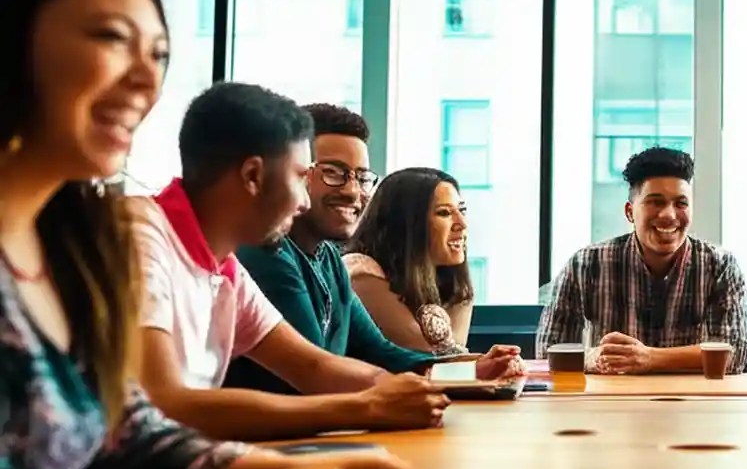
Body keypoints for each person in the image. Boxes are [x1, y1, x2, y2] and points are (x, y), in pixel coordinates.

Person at [0, 0, 425, 469]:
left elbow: (129, 431)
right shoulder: (133, 237)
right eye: (113, 38)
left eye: (159, 54)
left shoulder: (71, 244)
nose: (146, 81)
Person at [131, 82, 454, 441]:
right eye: (302, 177)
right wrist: (370, 406)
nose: (303, 201)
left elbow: (313, 366)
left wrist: (405, 390)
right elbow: (163, 405)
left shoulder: (225, 266)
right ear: (253, 176)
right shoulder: (140, 238)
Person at [226, 107, 520, 395]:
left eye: (362, 177)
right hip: (276, 437)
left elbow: (382, 354)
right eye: (333, 173)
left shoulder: (329, 260)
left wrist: (472, 371)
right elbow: (316, 372)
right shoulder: (265, 252)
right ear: (295, 172)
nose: (353, 191)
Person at [535, 147, 747, 374]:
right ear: (630, 212)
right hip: (610, 402)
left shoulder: (720, 265)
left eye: (681, 204)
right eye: (655, 202)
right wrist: (592, 358)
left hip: (690, 402)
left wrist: (649, 358)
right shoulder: (586, 264)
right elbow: (547, 351)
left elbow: (734, 353)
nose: (669, 215)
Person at [343, 167, 518, 366]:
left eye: (461, 210)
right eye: (444, 213)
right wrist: (484, 364)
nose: (461, 224)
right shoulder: (362, 271)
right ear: (407, 223)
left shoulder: (448, 275)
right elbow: (428, 359)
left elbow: (452, 358)